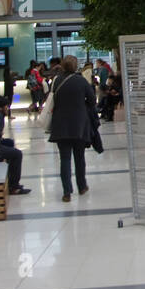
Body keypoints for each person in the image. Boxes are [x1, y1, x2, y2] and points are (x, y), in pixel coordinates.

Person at [47, 56, 96, 202]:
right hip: (79, 124)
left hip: (60, 124)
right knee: (79, 157)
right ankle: (82, 186)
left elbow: (51, 98)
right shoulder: (81, 80)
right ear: (75, 66)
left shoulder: (56, 81)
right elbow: (92, 100)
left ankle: (66, 192)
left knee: (65, 158)